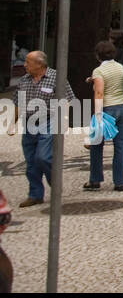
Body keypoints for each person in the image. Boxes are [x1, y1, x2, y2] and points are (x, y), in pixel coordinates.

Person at [7, 51, 75, 206]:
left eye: (28, 62)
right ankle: (35, 194)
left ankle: (55, 184)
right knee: (31, 161)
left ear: (40, 64)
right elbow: (18, 103)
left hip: (49, 121)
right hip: (29, 123)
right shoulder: (24, 80)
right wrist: (13, 123)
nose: (24, 65)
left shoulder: (57, 77)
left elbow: (68, 100)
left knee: (43, 157)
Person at [85, 40, 123, 193]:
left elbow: (99, 92)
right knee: (120, 146)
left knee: (97, 144)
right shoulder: (121, 67)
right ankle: (120, 182)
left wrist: (97, 115)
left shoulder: (99, 71)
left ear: (98, 55)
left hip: (107, 109)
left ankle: (95, 179)